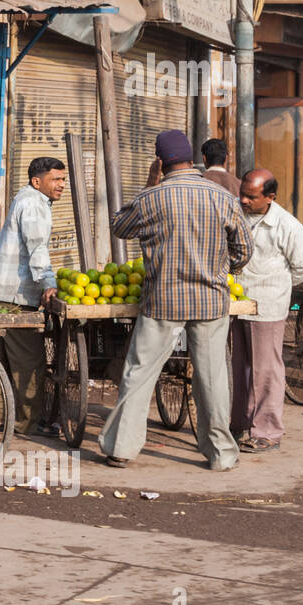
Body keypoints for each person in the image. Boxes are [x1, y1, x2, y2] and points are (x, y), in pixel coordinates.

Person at [98, 130, 252, 471]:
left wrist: (150, 185)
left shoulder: (151, 198)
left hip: (162, 301)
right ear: (191, 158)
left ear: (160, 161)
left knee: (139, 374)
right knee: (211, 378)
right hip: (211, 302)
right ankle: (221, 455)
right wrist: (225, 267)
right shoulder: (221, 196)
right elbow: (244, 248)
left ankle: (121, 448)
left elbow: (119, 227)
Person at [0, 156, 67, 438]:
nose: (61, 185)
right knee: (28, 362)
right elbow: (37, 247)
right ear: (37, 181)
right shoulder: (34, 203)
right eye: (56, 179)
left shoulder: (25, 198)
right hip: (15, 295)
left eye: (63, 179)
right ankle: (28, 424)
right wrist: (48, 282)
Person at [232, 168, 303, 453]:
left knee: (266, 370)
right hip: (236, 305)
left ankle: (267, 431)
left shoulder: (287, 226)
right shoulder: (235, 216)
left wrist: (275, 286)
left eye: (250, 196)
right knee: (240, 368)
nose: (243, 200)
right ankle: (240, 423)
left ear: (270, 197)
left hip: (267, 307)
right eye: (241, 193)